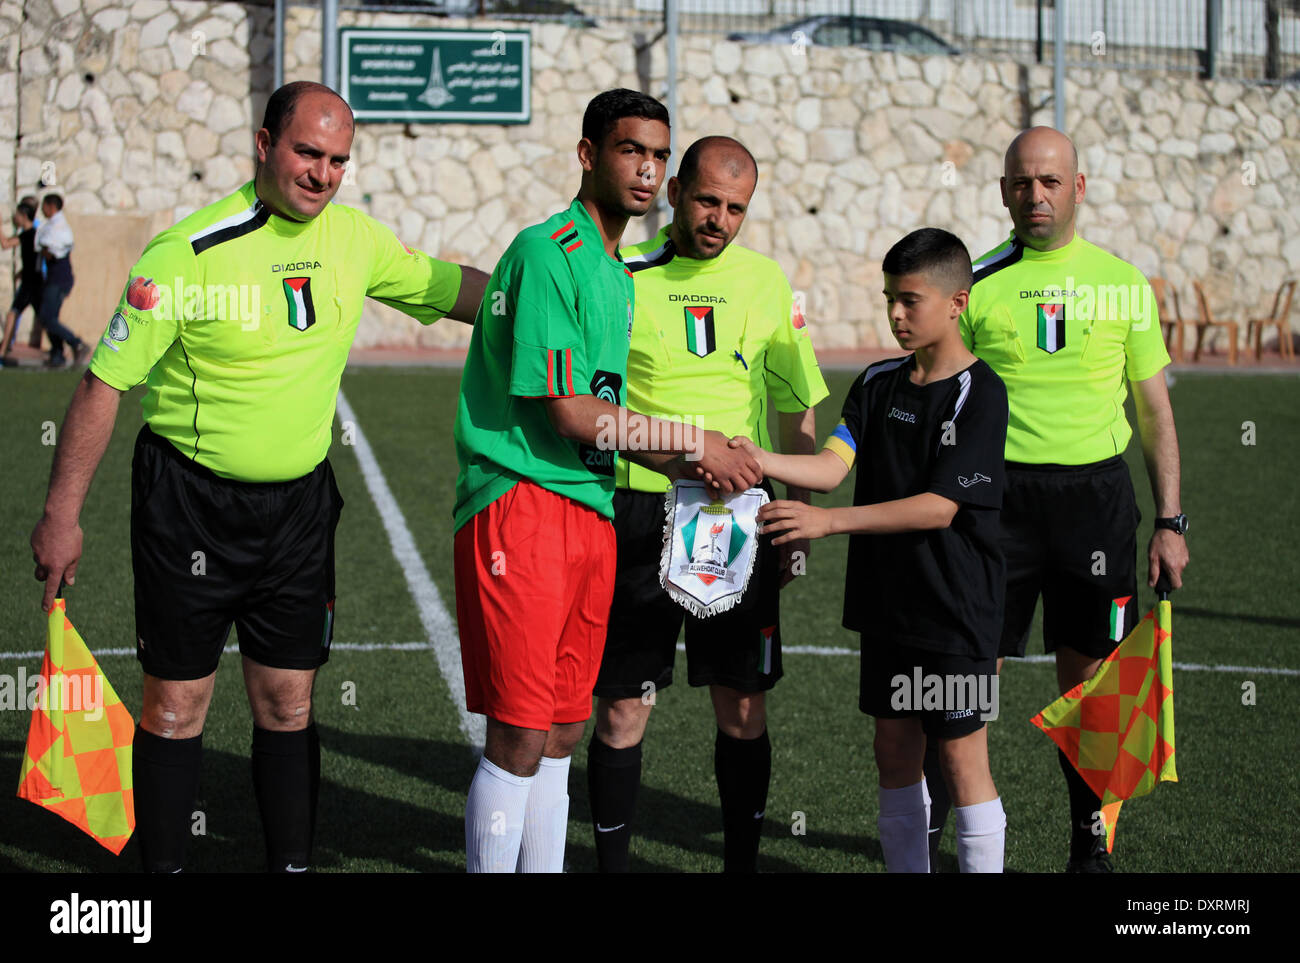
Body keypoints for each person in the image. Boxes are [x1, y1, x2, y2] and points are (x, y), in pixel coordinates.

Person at [29, 80, 488, 873]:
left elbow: (458, 291)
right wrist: (61, 513)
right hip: (189, 508)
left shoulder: (356, 240)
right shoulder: (187, 253)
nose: (323, 173)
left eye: (339, 160)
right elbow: (103, 384)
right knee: (176, 706)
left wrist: (555, 300)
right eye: (308, 152)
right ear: (263, 143)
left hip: (299, 510)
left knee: (289, 702)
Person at [453, 89, 762, 873]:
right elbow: (571, 413)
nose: (648, 170)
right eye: (631, 150)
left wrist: (700, 465)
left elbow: (611, 420)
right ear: (589, 154)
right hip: (522, 504)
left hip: (591, 507)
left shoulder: (616, 272)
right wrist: (696, 443)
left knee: (561, 729)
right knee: (521, 728)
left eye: (659, 155)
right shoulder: (549, 250)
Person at [945, 126, 1189, 872]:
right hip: (996, 501)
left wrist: (1171, 520)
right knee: (965, 672)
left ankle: (1092, 847)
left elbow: (1154, 412)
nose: (1036, 195)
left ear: (1077, 188)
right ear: (1003, 191)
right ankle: (947, 829)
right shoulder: (974, 282)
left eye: (1050, 181)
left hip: (1097, 502)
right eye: (1022, 182)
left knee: (1096, 686)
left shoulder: (1121, 282)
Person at [586, 135, 828, 873]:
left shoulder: (766, 283)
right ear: (675, 190)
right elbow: (596, 408)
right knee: (624, 707)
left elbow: (799, 406)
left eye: (736, 207)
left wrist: (795, 516)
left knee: (743, 706)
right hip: (638, 513)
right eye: (706, 200)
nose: (719, 218)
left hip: (737, 521)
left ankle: (742, 864)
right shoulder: (622, 275)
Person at [733, 228, 1009, 873]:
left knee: (962, 758)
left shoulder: (980, 393)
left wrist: (828, 526)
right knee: (893, 748)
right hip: (890, 604)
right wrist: (756, 455)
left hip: (956, 607)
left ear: (957, 303)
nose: (895, 314)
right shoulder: (877, 381)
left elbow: (938, 507)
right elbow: (831, 466)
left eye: (910, 300)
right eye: (889, 298)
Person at [33, 194, 91, 367]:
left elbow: (51, 250)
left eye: (44, 206)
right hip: (53, 278)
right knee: (49, 317)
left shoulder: (59, 227)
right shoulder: (52, 225)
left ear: (51, 206)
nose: (42, 210)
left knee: (47, 317)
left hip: (59, 279)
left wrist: (43, 248)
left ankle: (77, 344)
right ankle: (57, 354)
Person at [0, 200, 42, 364]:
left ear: (23, 216)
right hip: (31, 281)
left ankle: (3, 352)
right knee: (44, 318)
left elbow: (5, 244)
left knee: (13, 314)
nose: (14, 217)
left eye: (17, 214)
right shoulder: (32, 233)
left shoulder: (29, 234)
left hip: (31, 284)